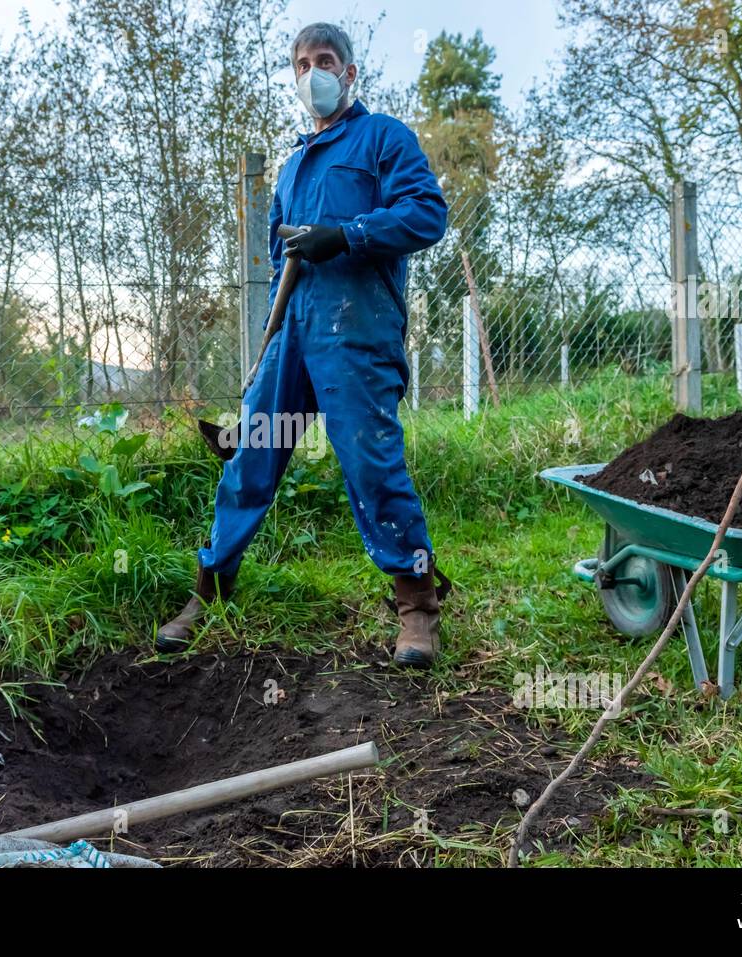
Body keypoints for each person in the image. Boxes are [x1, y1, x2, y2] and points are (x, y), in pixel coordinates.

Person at [157, 22, 450, 667]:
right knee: (249, 460)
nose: (311, 72)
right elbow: (277, 249)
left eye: (324, 61)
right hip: (292, 331)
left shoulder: (382, 139)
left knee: (372, 463)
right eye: (300, 63)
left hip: (357, 330)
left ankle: (417, 606)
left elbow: (428, 214)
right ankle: (209, 595)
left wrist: (345, 234)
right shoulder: (291, 165)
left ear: (348, 73)